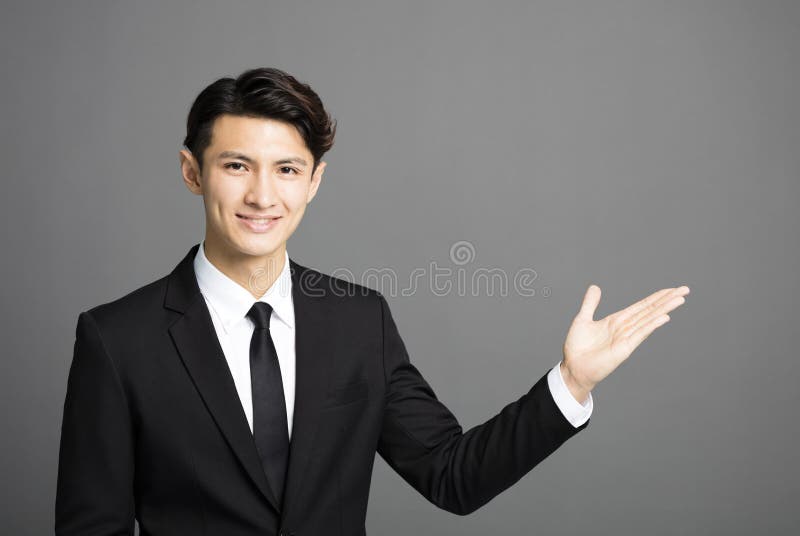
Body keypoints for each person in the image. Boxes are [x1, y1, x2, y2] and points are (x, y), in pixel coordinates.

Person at [55, 67, 690, 536]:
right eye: (237, 166)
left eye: (287, 169)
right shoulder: (117, 341)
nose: (262, 196)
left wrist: (571, 383)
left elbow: (452, 475)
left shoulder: (359, 321)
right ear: (193, 172)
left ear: (315, 181)